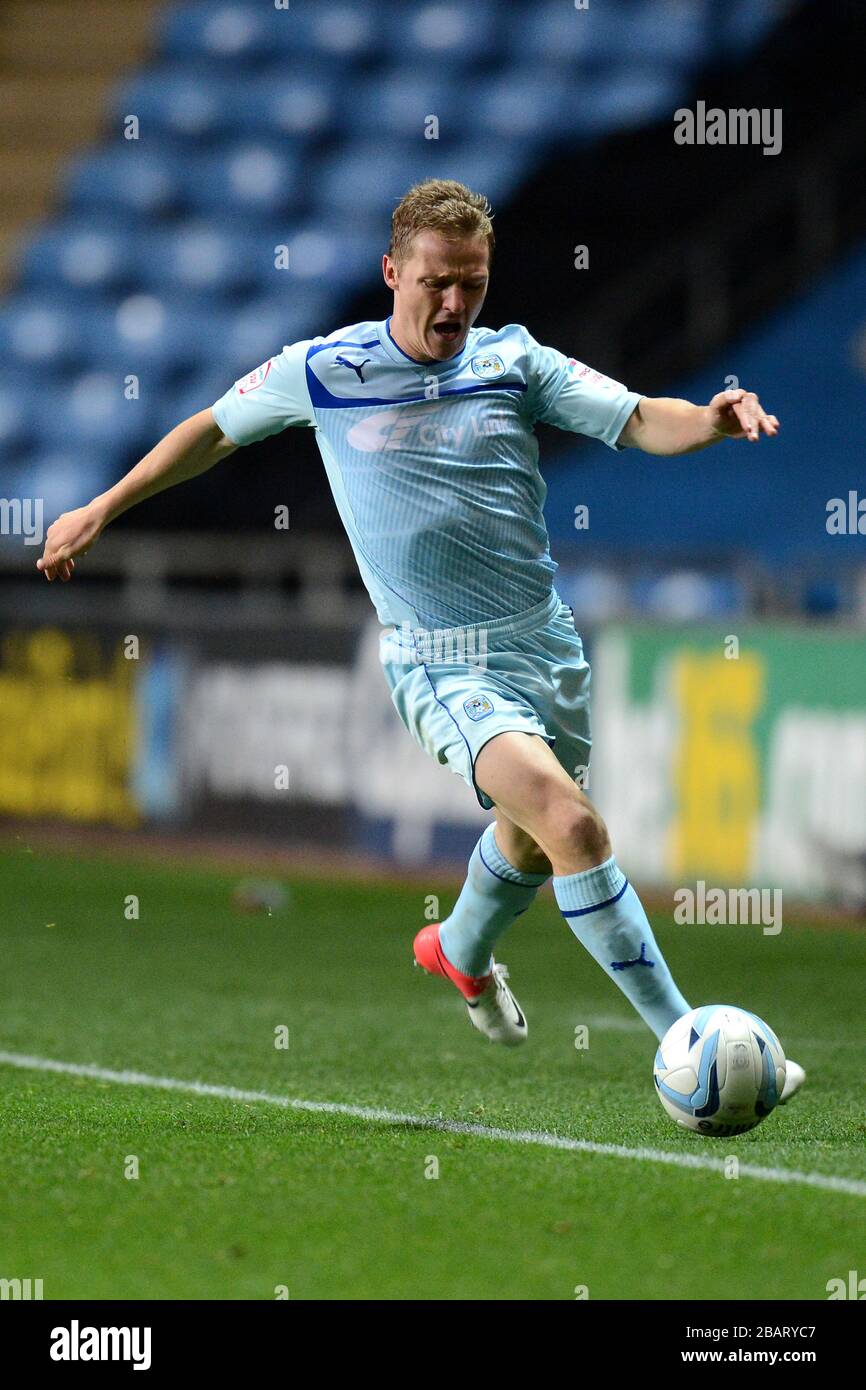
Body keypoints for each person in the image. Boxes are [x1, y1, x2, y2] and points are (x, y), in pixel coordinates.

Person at [36, 177, 804, 1103]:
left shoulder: (516, 363)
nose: (453, 304)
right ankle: (685, 1042)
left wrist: (711, 421)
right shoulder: (325, 370)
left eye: (472, 285)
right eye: (436, 282)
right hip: (439, 660)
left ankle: (460, 950)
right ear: (393, 271)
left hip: (544, 644)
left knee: (526, 843)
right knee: (572, 824)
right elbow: (212, 432)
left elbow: (641, 417)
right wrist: (103, 506)